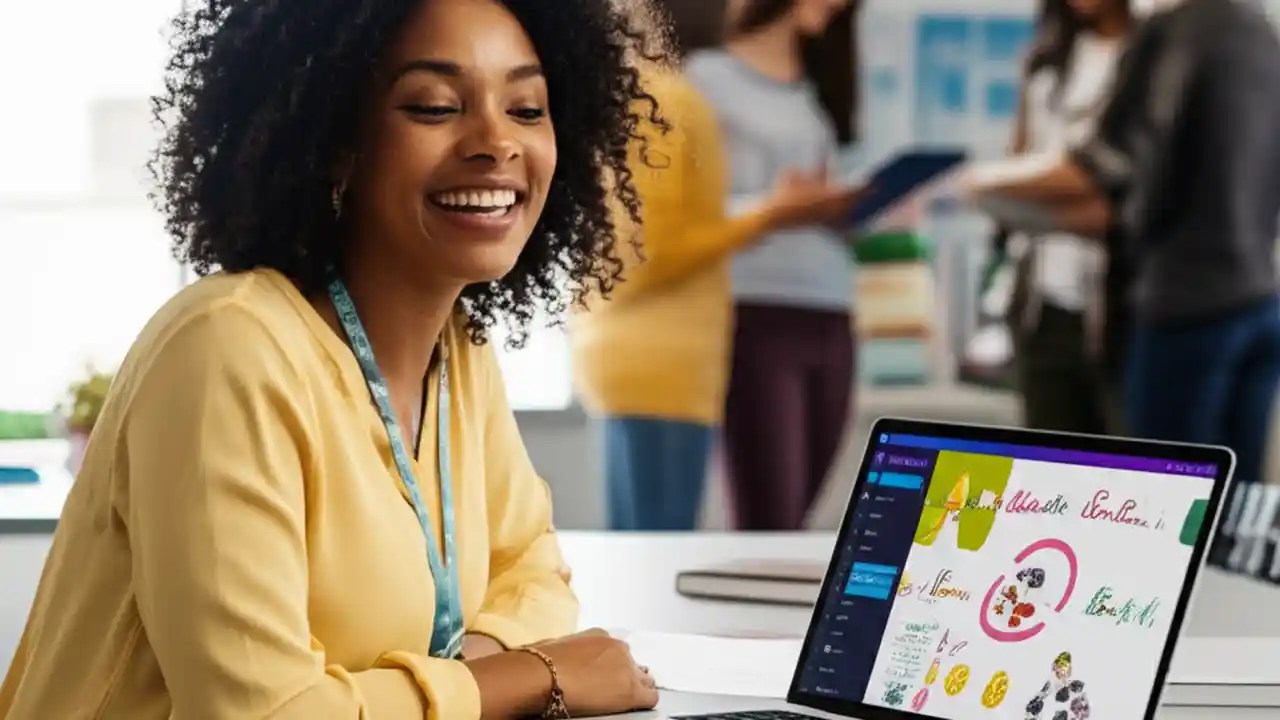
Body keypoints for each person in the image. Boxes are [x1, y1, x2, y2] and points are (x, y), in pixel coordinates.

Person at [0, 0, 670, 717]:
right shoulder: (228, 349)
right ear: (335, 142)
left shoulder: (458, 351)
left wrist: (462, 675)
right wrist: (528, 676)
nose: (496, 141)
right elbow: (263, 714)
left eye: (527, 108)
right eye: (435, 106)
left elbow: (532, 569)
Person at [968, 0, 1280, 559]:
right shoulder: (1255, 27)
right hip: (1256, 295)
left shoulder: (1173, 32)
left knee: (1157, 523)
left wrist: (985, 187)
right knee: (1233, 524)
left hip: (1182, 304)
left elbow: (1116, 169)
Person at [570, 0, 862, 531]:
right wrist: (768, 217)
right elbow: (645, 254)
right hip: (658, 361)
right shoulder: (669, 100)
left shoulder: (654, 95)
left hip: (660, 362)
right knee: (653, 560)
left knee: (650, 554)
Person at [686, 0, 861, 531]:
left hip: (831, 310)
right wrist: (775, 209)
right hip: (755, 310)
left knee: (804, 517)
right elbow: (683, 215)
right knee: (769, 519)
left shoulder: (814, 89)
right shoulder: (704, 80)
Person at [1002, 0, 1135, 434]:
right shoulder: (1044, 64)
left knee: (1132, 467)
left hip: (1124, 307)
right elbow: (1019, 160)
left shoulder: (1153, 54)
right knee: (1050, 465)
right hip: (1045, 302)